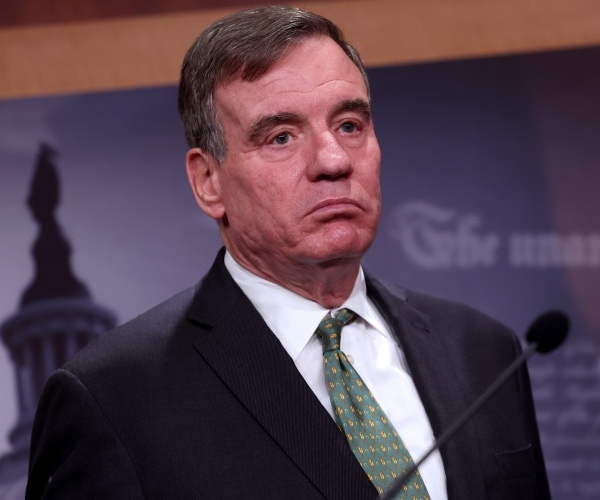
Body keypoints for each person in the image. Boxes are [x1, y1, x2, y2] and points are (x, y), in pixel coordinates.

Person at [26, 6, 550, 499]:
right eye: (281, 137)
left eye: (349, 126)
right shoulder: (114, 399)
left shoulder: (484, 352)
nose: (333, 161)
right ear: (208, 181)